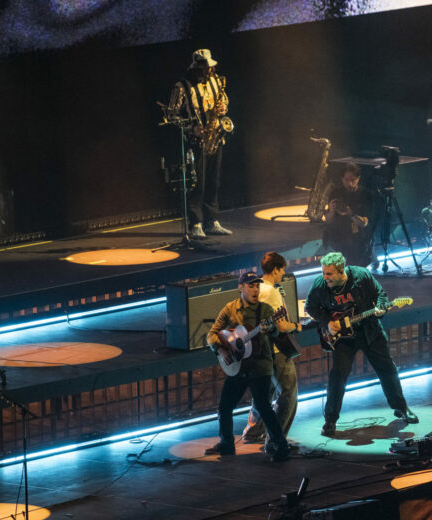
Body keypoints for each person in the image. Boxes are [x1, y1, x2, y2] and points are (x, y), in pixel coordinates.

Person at [305, 252, 418, 436]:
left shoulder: (361, 276)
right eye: (324, 273)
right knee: (337, 376)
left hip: (369, 331)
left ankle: (401, 408)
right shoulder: (320, 285)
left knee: (387, 369)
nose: (325, 278)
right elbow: (310, 306)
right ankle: (330, 420)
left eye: (329, 274)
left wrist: (381, 309)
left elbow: (380, 293)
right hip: (343, 338)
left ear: (341, 271)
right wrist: (327, 321)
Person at [205, 272, 289, 461]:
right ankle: (226, 445)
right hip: (238, 365)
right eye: (251, 286)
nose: (255, 289)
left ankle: (281, 446)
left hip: (260, 364)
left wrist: (271, 328)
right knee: (225, 406)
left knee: (264, 407)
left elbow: (276, 331)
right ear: (240, 287)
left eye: (257, 286)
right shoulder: (230, 308)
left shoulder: (266, 310)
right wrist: (221, 350)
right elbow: (212, 333)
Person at [167, 48, 233, 240]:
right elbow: (171, 115)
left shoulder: (216, 81)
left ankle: (212, 221)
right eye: (205, 69)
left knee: (214, 182)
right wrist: (191, 129)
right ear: (196, 68)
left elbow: (224, 101)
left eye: (210, 68)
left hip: (215, 137)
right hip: (195, 143)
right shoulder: (181, 87)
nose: (209, 72)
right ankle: (196, 223)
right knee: (198, 184)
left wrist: (223, 108)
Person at [241, 252, 301, 449]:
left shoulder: (255, 289)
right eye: (282, 269)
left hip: (258, 353)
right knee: (288, 393)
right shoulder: (271, 292)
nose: (283, 273)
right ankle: (276, 439)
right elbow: (281, 326)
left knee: (263, 393)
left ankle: (253, 431)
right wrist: (295, 325)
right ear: (275, 269)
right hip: (275, 351)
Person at [322, 162, 375, 267]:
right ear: (342, 179)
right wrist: (332, 211)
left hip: (358, 238)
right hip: (339, 237)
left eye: (353, 180)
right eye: (346, 180)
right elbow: (328, 221)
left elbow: (365, 223)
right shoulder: (336, 193)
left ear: (358, 178)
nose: (349, 183)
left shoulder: (365, 194)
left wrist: (351, 214)